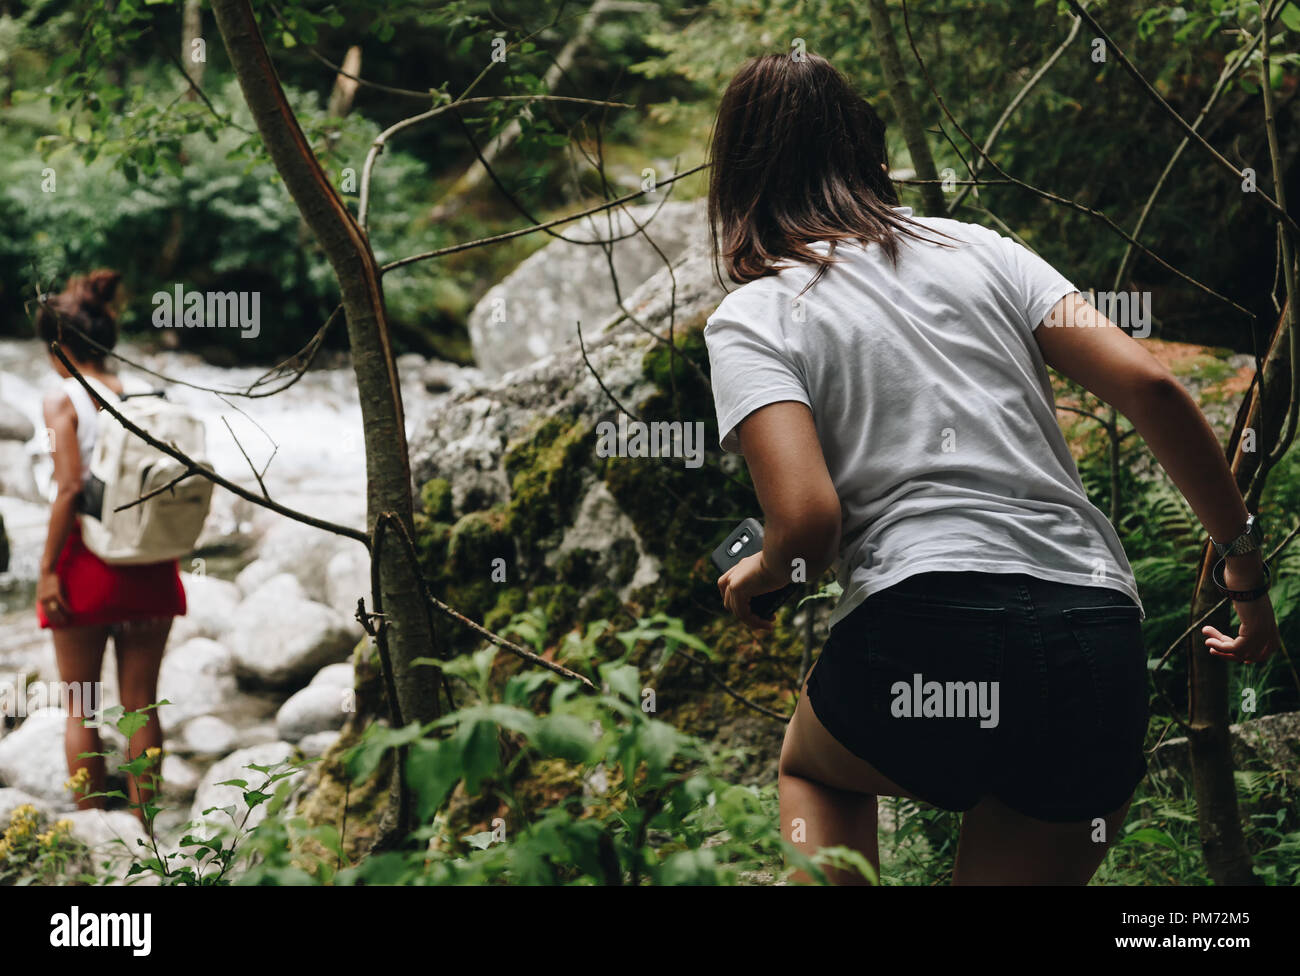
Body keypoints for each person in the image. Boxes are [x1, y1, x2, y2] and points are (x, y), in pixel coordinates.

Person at [703, 54, 1281, 885]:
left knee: (813, 769)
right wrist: (1244, 573)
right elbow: (1154, 387)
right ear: (869, 151)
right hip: (1095, 640)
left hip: (928, 624)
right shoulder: (981, 250)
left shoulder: (753, 315)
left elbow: (809, 525)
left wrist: (760, 572)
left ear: (741, 180)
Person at [34, 270, 186, 822]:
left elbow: (69, 488)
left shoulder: (64, 398)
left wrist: (47, 570)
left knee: (81, 708)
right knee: (142, 701)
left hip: (87, 563)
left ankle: (97, 837)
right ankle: (146, 836)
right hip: (149, 558)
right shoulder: (151, 394)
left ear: (60, 349)